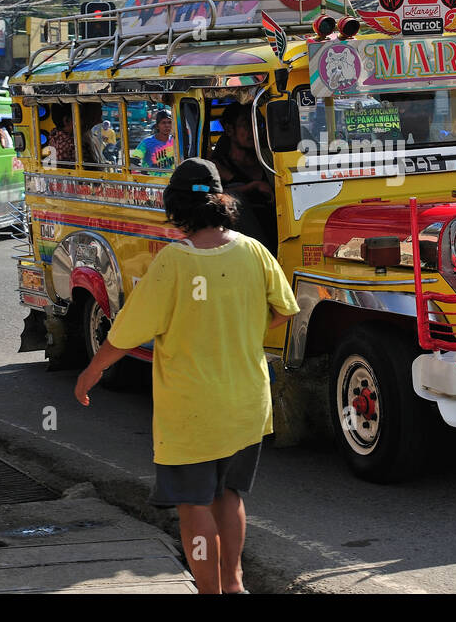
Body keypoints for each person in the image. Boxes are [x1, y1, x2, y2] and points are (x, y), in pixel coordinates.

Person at [74, 159, 300, 594]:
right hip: (246, 403)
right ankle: (234, 585)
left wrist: (92, 370)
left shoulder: (173, 262)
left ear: (175, 207)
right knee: (228, 495)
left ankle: (209, 591)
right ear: (222, 202)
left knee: (193, 503)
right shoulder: (254, 251)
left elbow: (124, 334)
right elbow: (283, 309)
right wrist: (239, 329)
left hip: (191, 411)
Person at [211, 104, 276, 251]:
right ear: (229, 129)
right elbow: (209, 194)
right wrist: (252, 187)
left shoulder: (268, 159)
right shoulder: (218, 166)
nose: (253, 129)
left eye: (256, 123)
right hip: (244, 243)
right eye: (246, 124)